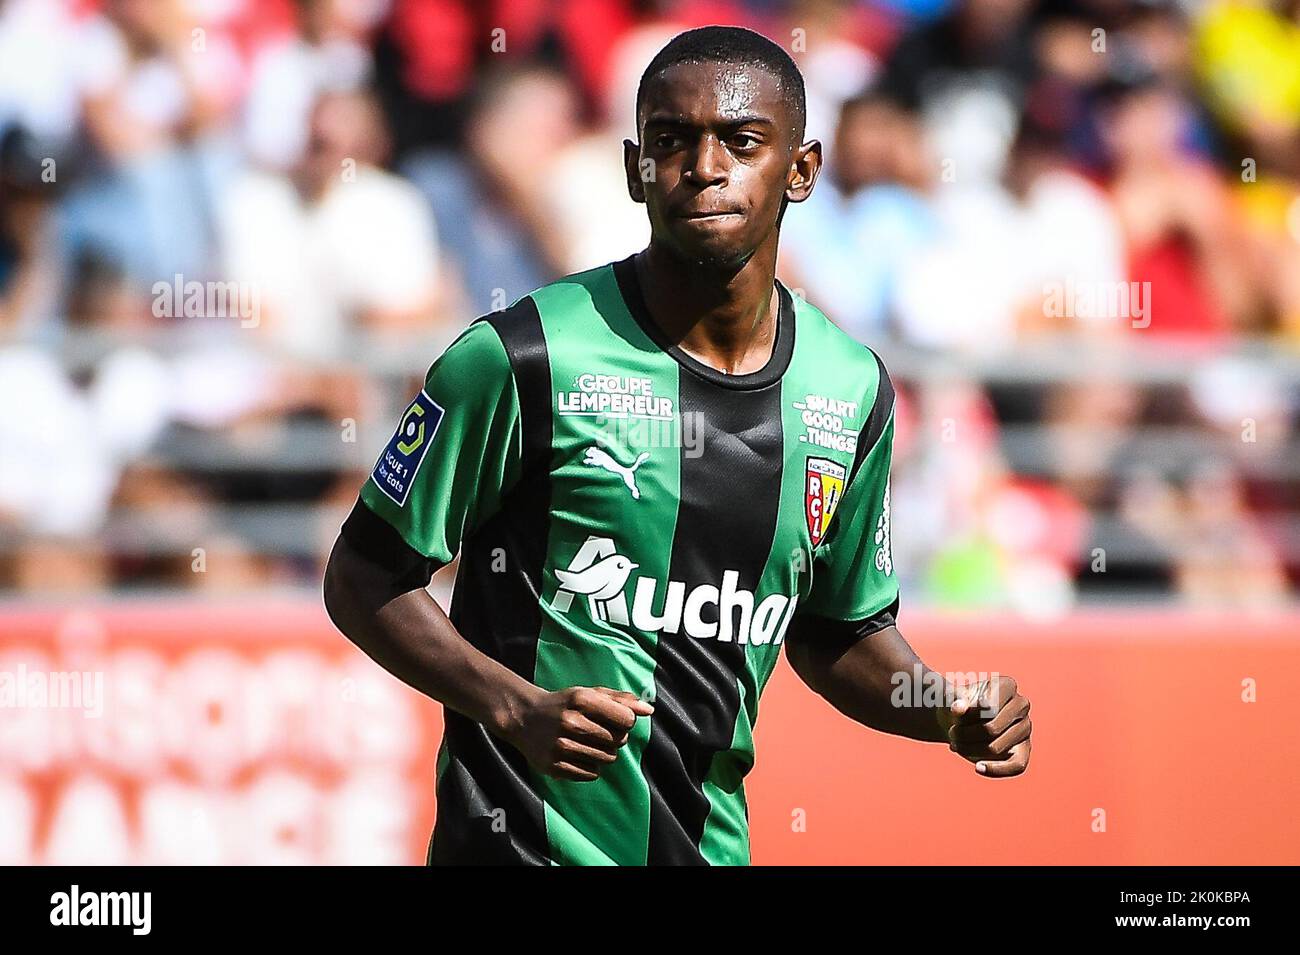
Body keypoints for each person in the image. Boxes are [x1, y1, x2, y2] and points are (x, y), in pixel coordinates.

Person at [323, 25, 1032, 867]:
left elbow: (836, 632)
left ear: (801, 170)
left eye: (740, 141)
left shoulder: (850, 394)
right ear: (634, 169)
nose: (703, 167)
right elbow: (365, 577)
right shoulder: (521, 358)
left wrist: (938, 704)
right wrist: (512, 707)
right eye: (671, 141)